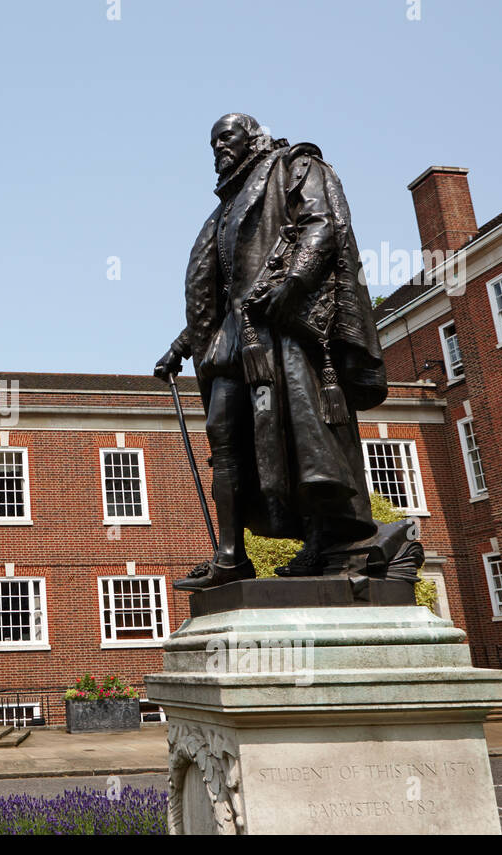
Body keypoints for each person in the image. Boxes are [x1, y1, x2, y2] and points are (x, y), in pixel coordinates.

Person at [154, 113, 388, 590]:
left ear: (253, 136)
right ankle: (231, 555)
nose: (219, 145)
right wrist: (182, 344)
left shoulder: (293, 166)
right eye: (213, 141)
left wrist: (296, 284)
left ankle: (327, 539)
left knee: (299, 439)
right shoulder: (223, 212)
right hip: (235, 340)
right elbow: (222, 294)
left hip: (282, 332)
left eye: (227, 135)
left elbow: (323, 223)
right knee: (226, 438)